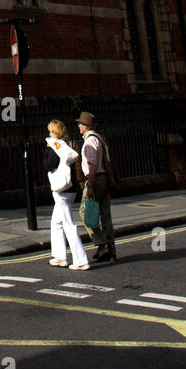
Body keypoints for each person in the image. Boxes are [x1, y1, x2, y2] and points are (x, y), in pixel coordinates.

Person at [43, 119, 89, 269]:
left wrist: (48, 150)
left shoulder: (55, 147)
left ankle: (81, 261)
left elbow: (48, 165)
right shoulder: (64, 146)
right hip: (70, 188)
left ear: (55, 133)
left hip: (61, 191)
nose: (49, 133)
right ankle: (60, 256)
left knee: (69, 224)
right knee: (56, 222)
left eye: (51, 131)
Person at [77, 111, 116, 262]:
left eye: (80, 124)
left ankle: (102, 243)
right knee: (105, 215)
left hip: (95, 180)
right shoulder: (99, 138)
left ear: (86, 126)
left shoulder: (89, 142)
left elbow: (92, 165)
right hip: (105, 178)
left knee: (86, 213)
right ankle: (111, 250)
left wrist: (90, 185)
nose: (79, 126)